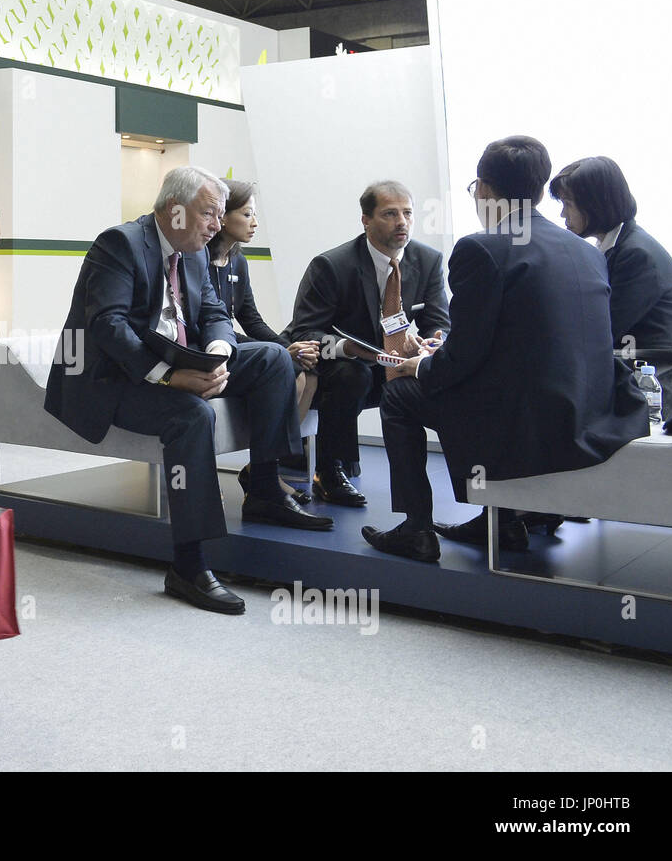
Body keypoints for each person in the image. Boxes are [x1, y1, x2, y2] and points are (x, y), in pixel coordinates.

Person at [45, 166, 332, 617]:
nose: (217, 225)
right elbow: (108, 326)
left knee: (275, 358)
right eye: (210, 214)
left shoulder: (194, 252)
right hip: (116, 378)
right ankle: (189, 565)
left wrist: (218, 352)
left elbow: (216, 311)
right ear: (174, 211)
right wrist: (167, 375)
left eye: (220, 215)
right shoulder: (119, 244)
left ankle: (264, 487)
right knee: (194, 415)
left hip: (185, 357)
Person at [362, 136, 649, 562]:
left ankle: (416, 529)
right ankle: (500, 519)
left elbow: (465, 357)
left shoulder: (482, 247)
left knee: (399, 394)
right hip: (592, 414)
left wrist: (420, 366)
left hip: (529, 426)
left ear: (485, 189)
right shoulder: (584, 250)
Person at [283, 181, 449, 508]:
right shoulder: (332, 265)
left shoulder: (428, 260)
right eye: (390, 214)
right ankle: (330, 470)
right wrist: (351, 349)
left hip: (391, 362)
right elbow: (306, 332)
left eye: (407, 213)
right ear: (366, 220)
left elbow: (439, 321)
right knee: (352, 374)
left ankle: (443, 492)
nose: (402, 221)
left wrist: (433, 343)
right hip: (336, 361)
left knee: (438, 372)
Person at [206, 179, 319, 503]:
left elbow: (251, 319)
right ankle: (264, 473)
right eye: (247, 214)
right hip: (212, 349)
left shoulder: (238, 261)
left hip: (236, 343)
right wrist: (281, 351)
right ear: (223, 216)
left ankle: (264, 470)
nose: (254, 223)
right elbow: (211, 326)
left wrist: (288, 344)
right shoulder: (197, 259)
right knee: (285, 364)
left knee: (308, 374)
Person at [551, 156, 672, 420]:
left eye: (568, 203)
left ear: (595, 204)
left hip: (655, 387)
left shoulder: (637, 254)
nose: (563, 213)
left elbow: (603, 329)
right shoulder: (614, 247)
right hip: (630, 374)